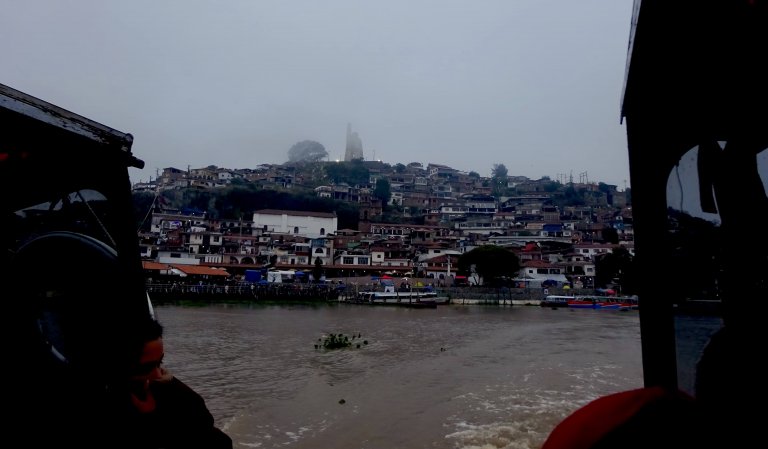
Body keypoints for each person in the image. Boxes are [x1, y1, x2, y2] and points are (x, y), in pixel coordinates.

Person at [104, 317, 233, 449]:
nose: (158, 374)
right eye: (145, 368)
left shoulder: (164, 390)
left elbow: (214, 435)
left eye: (160, 363)